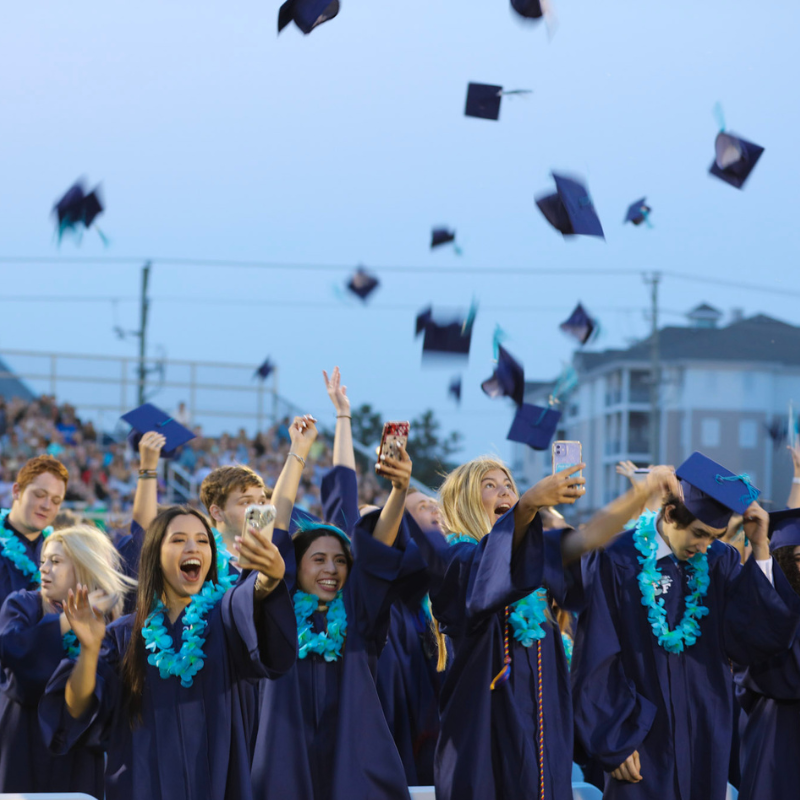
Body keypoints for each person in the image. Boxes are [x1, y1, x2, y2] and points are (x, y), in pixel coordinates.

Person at [407, 456, 674, 800]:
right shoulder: (455, 563)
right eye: (490, 485)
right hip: (485, 735)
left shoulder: (537, 556)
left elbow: (589, 537)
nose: (504, 491)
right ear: (465, 501)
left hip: (544, 731)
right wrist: (529, 502)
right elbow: (484, 577)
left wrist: (642, 495)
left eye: (509, 486)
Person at [571, 453, 800, 800]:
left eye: (714, 536)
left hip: (704, 726)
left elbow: (756, 637)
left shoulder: (719, 560)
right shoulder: (619, 559)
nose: (704, 546)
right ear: (669, 513)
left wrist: (760, 546)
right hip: (641, 732)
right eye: (699, 534)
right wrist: (612, 740)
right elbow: (598, 654)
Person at [40, 505, 297, 800]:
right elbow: (75, 709)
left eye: (202, 540)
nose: (193, 547)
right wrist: (89, 648)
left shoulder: (224, 619)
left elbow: (248, 602)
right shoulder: (124, 635)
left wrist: (269, 578)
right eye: (178, 539)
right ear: (155, 556)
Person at [251, 412, 426, 800]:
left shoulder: (359, 612)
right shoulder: (278, 608)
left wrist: (399, 490)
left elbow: (380, 545)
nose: (331, 568)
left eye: (341, 560)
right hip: (287, 766)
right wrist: (298, 452)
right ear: (296, 566)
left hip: (355, 767)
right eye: (318, 559)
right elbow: (276, 528)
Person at [0, 524, 134, 794]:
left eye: (56, 561)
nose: (44, 569)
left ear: (84, 568)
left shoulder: (110, 627)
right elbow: (12, 652)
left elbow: (98, 705)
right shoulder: (23, 604)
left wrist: (89, 641)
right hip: (20, 747)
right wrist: (67, 622)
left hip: (77, 759)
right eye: (43, 561)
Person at [734, 508, 800, 800]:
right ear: (783, 560)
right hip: (778, 735)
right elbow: (781, 675)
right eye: (799, 558)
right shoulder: (765, 608)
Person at [0, 455, 69, 607]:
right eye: (39, 495)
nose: (47, 505)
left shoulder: (64, 552)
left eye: (56, 501)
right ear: (17, 491)